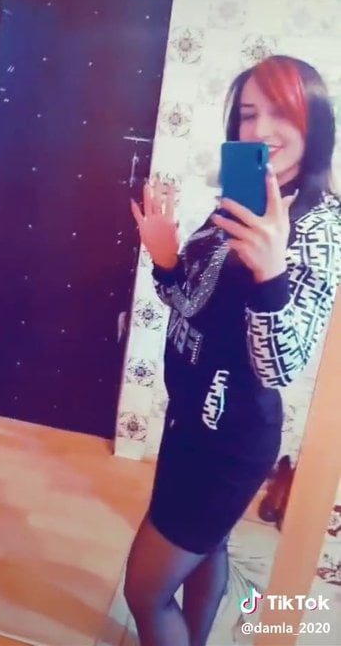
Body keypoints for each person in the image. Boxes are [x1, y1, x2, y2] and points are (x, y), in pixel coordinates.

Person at [125, 54, 341, 646]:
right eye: (248, 114)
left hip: (229, 440)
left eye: (281, 113)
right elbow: (190, 303)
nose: (260, 130)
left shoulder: (321, 226)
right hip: (188, 419)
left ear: (315, 123)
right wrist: (166, 258)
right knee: (209, 549)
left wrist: (271, 276)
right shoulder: (238, 201)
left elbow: (280, 365)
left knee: (144, 592)